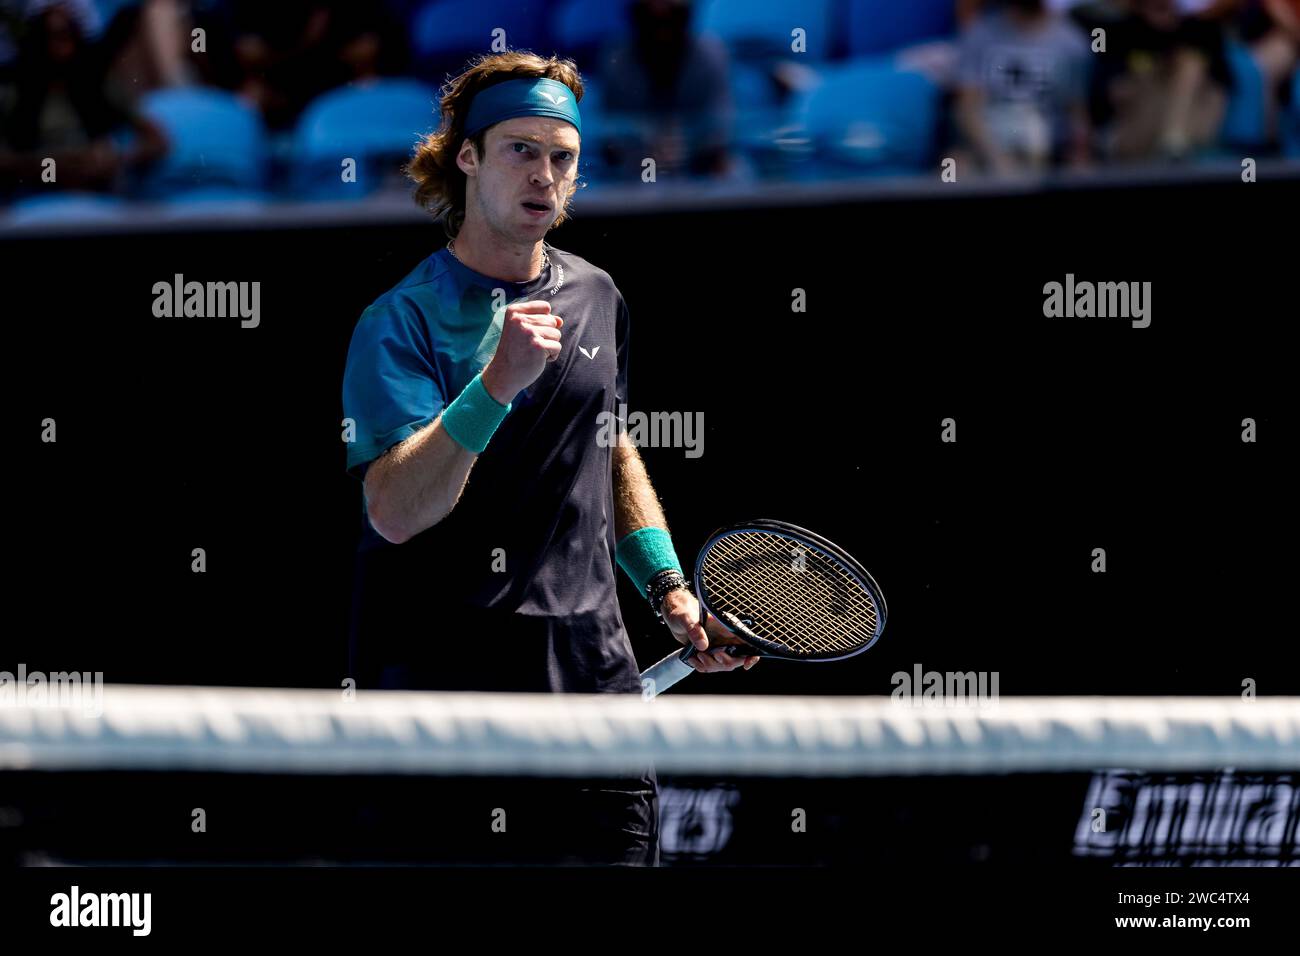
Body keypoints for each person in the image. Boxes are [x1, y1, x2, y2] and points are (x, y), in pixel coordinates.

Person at [340, 50, 758, 866]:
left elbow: (610, 448)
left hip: (594, 674)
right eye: (520, 150)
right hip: (444, 688)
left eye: (561, 157)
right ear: (468, 158)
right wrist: (495, 385)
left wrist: (667, 588)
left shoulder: (598, 295)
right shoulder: (398, 321)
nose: (543, 175)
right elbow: (394, 511)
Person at [955, 0, 1093, 175]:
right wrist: (999, 160)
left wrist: (1080, 156)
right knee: (956, 170)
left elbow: (1077, 112)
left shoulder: (1072, 42)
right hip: (988, 151)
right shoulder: (979, 36)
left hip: (1050, 154)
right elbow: (967, 110)